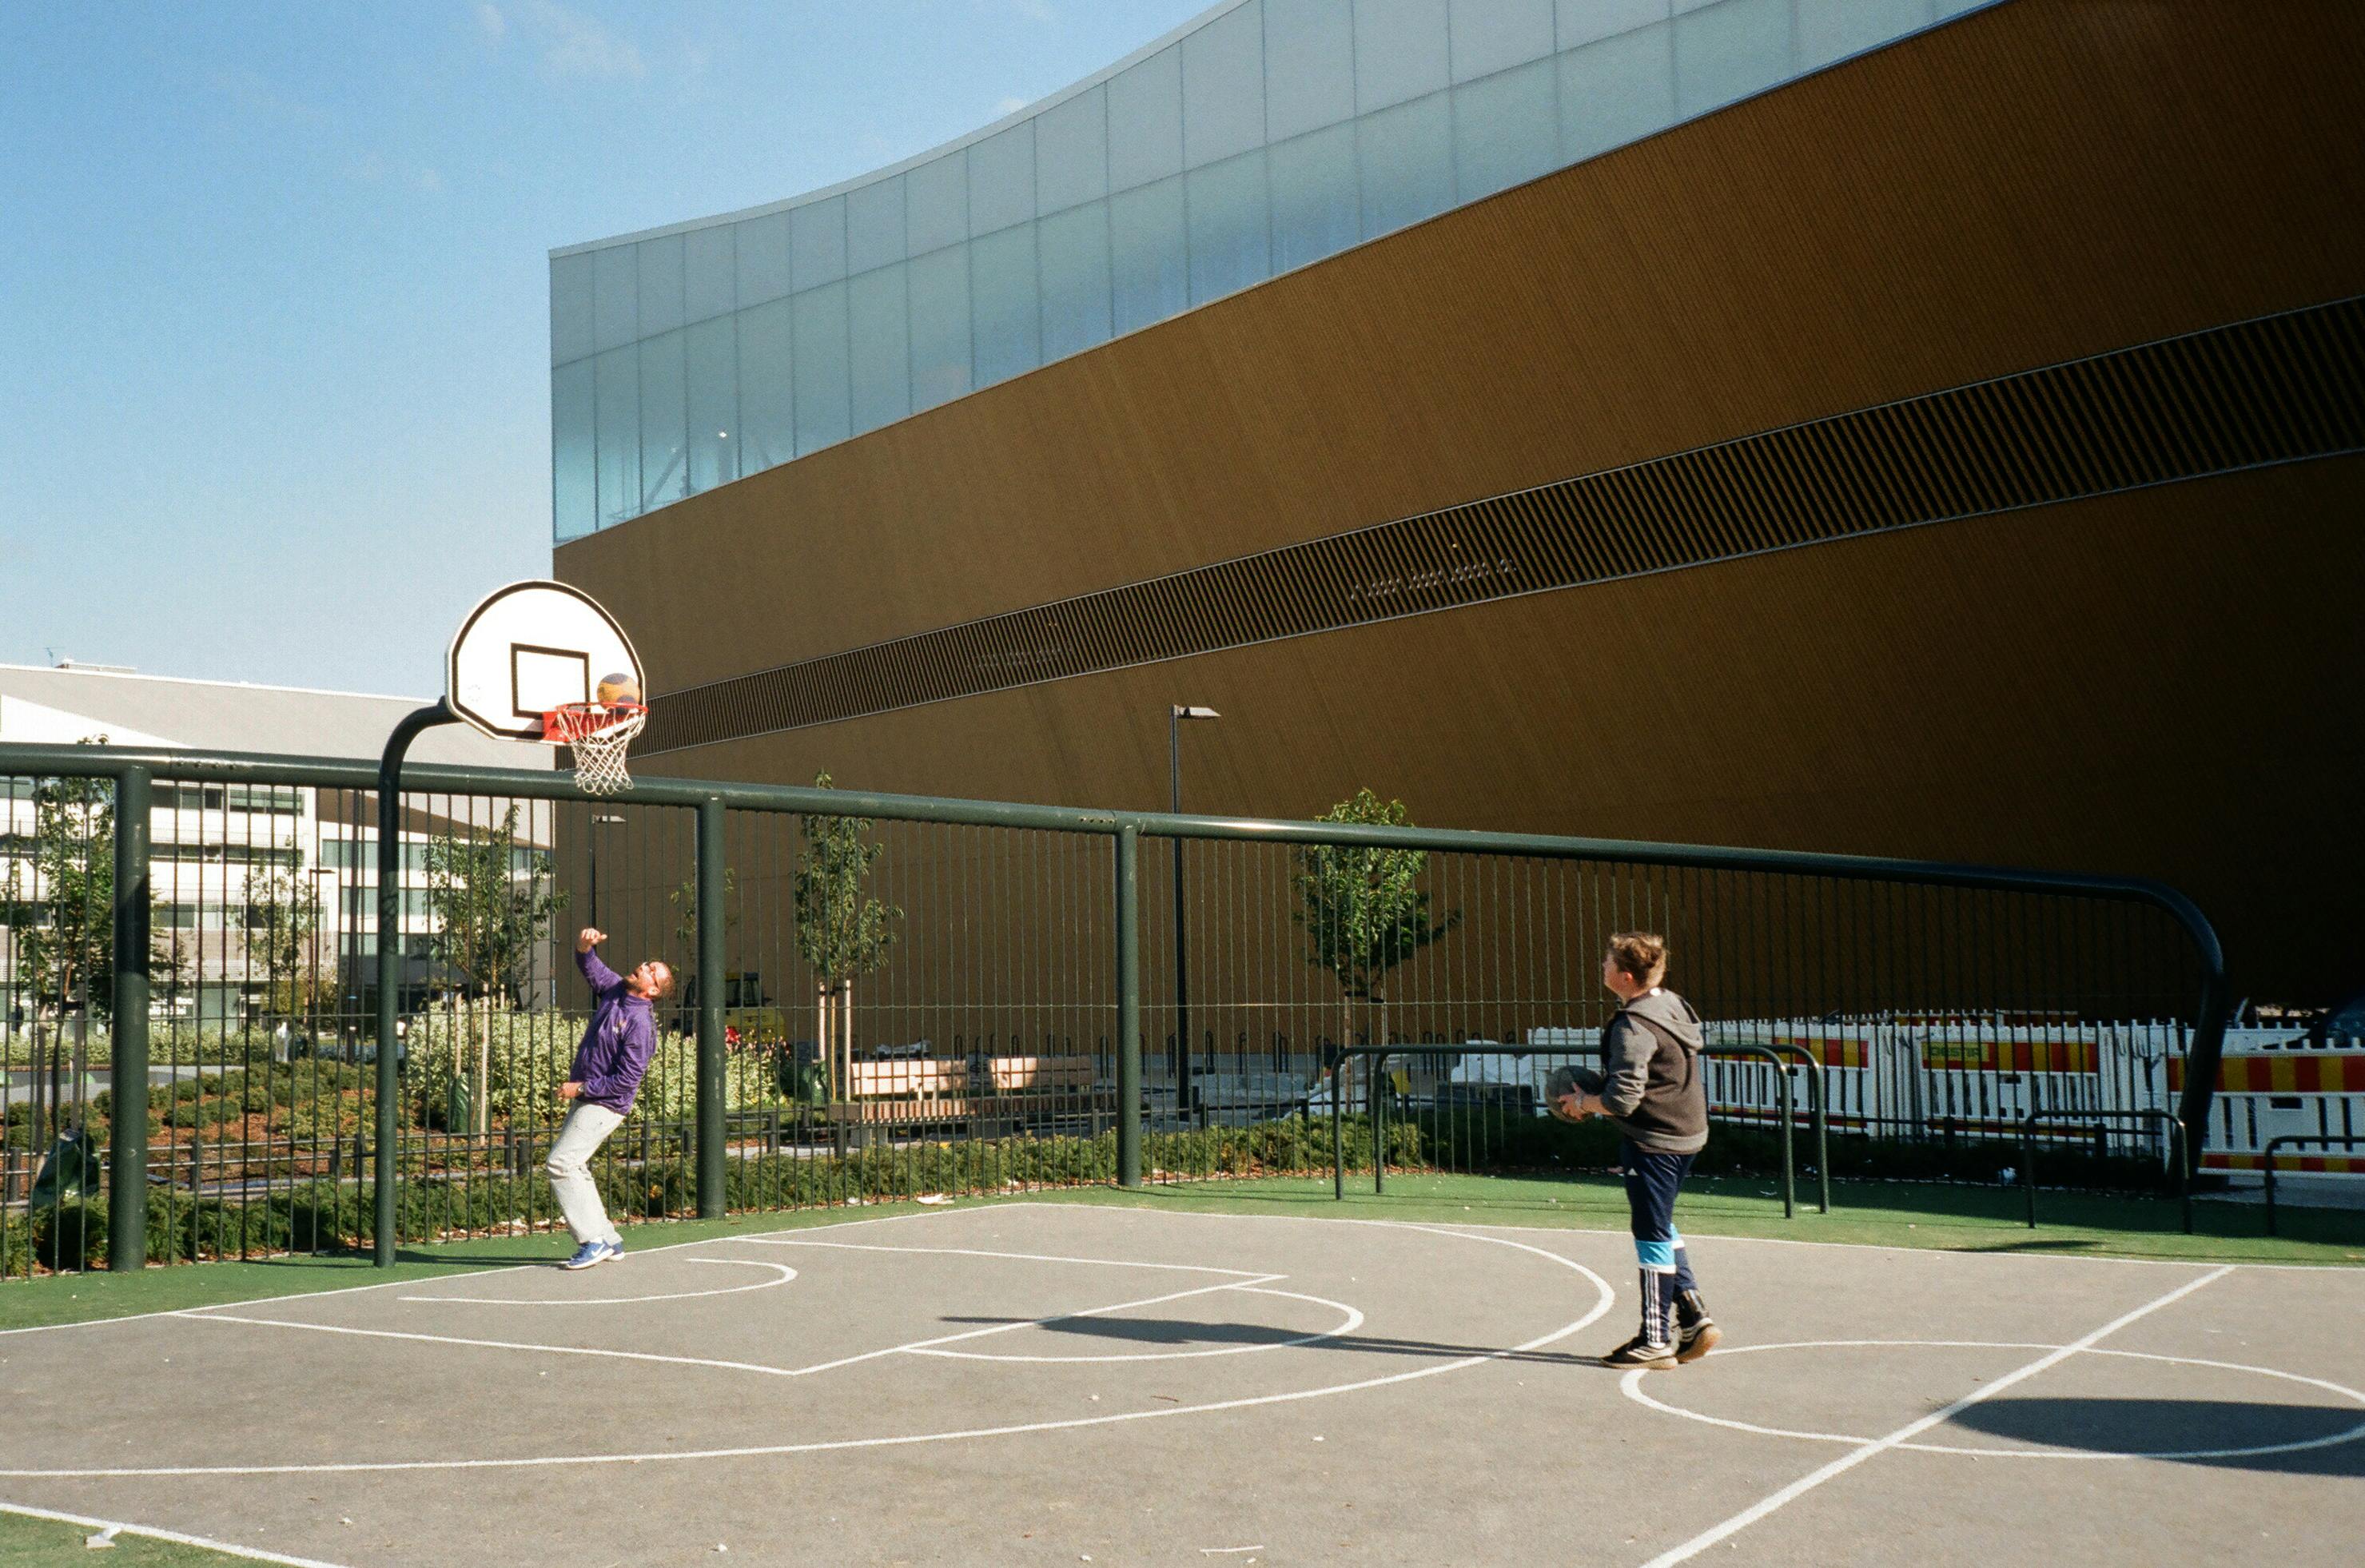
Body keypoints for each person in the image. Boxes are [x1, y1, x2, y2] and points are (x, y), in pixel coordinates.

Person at [1548, 932, 1720, 1370]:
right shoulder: (1672, 1004)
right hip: (1686, 1130)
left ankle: (1655, 1338)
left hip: (1655, 1139)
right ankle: (1695, 1317)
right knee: (1660, 1223)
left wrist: (1583, 1103)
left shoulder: (1633, 1026)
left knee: (1650, 1234)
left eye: (1606, 963)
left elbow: (1624, 1098)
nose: (1601, 969)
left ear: (1625, 976)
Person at [549, 927, 675, 1269]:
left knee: (561, 1164)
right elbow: (591, 968)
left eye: (653, 971)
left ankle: (592, 1241)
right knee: (575, 1166)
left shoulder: (641, 1025)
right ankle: (610, 1240)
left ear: (652, 990)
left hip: (606, 1104)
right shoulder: (617, 991)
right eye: (649, 963)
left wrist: (581, 1088)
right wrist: (584, 946)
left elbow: (626, 1081)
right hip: (591, 1098)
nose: (645, 966)